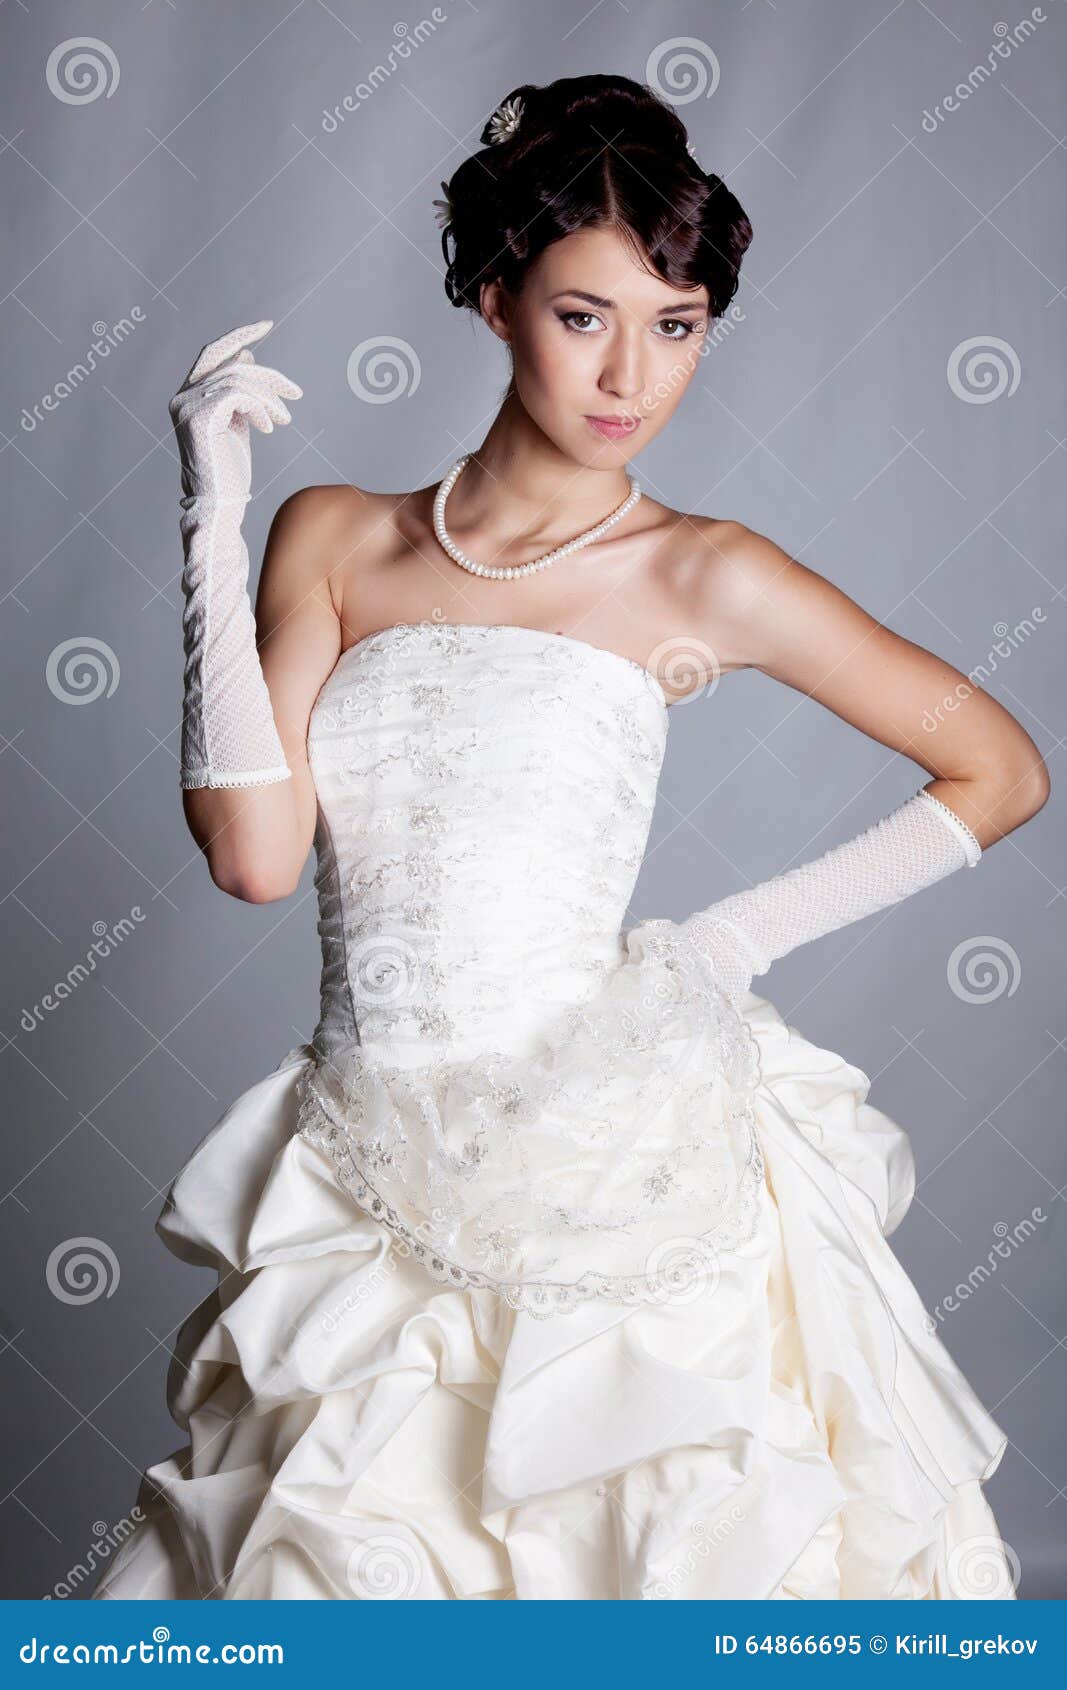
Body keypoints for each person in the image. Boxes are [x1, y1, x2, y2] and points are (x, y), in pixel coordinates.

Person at [92, 73, 1047, 1601]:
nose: (633, 375)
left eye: (677, 325)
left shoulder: (700, 573)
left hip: (613, 1144)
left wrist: (733, 939)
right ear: (492, 299)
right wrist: (209, 515)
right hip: (369, 1160)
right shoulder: (334, 535)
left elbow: (998, 769)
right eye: (586, 315)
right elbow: (253, 854)